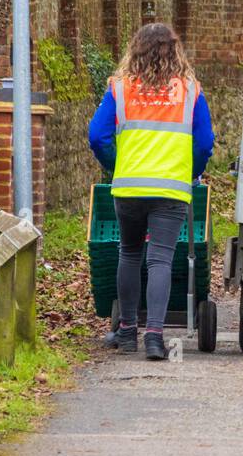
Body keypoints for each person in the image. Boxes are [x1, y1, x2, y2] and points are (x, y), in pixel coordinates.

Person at [88, 23, 214, 360]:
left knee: (129, 253)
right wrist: (190, 172)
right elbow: (204, 143)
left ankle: (128, 331)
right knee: (160, 258)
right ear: (175, 52)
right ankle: (155, 338)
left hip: (129, 187)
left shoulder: (120, 88)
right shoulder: (190, 91)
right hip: (171, 189)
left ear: (136, 50)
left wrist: (118, 165)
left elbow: (97, 136)